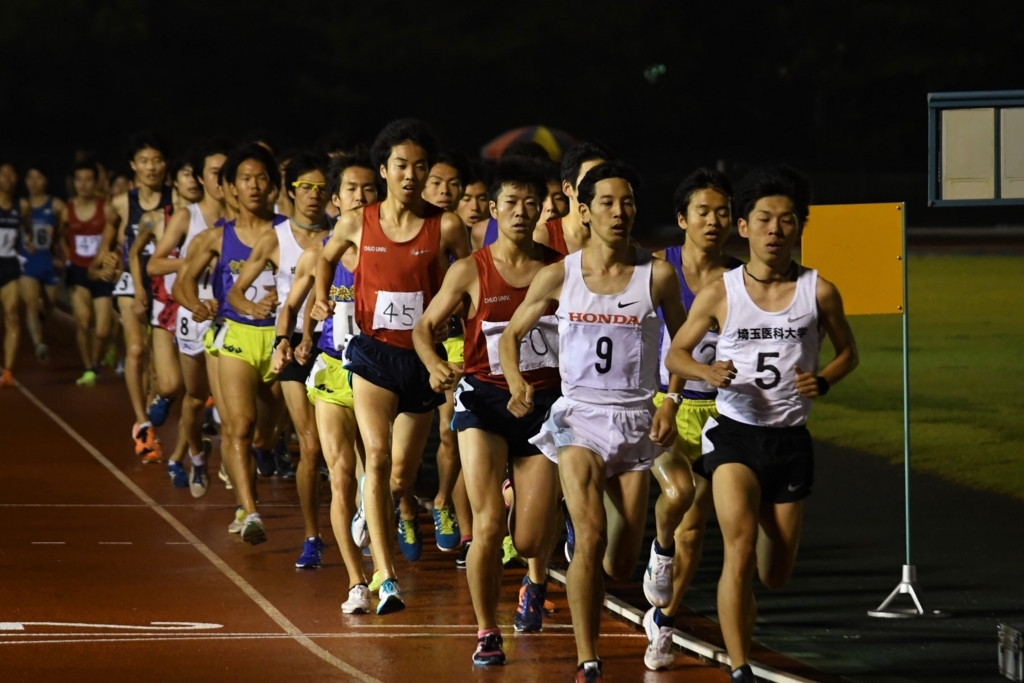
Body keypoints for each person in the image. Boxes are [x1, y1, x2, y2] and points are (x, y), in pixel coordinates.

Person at [666, 165, 859, 683]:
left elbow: (848, 353)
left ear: (799, 227)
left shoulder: (819, 291)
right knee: (739, 545)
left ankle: (744, 637)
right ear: (744, 227)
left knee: (774, 574)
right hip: (734, 435)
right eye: (764, 219)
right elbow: (677, 355)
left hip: (790, 442)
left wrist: (825, 380)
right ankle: (739, 666)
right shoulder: (720, 293)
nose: (776, 229)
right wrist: (706, 370)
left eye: (787, 220)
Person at [500, 162, 685, 683]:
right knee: (591, 533)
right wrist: (517, 383)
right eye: (606, 202)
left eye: (627, 202)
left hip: (634, 417)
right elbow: (511, 336)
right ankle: (588, 659)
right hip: (575, 415)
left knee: (620, 561)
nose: (619, 212)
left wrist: (670, 401)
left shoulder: (658, 276)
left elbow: (683, 347)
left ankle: (621, 556)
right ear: (583, 210)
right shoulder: (559, 274)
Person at [314, 118, 470, 614]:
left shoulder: (445, 225)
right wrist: (320, 297)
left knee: (400, 476)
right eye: (401, 165)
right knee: (375, 458)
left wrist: (456, 315)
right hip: (373, 355)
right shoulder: (359, 220)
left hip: (423, 360)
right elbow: (327, 257)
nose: (410, 175)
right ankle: (386, 577)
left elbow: (468, 280)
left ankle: (372, 511)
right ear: (384, 170)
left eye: (420, 167)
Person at [414, 158, 564, 665]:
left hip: (542, 407)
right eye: (512, 203)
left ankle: (533, 579)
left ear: (542, 209)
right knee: (487, 525)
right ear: (494, 209)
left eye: (531, 203)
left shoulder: (558, 269)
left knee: (528, 537)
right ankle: (485, 630)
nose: (521, 212)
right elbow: (424, 326)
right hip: (483, 402)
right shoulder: (469, 270)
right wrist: (435, 362)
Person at [642, 168, 744, 670]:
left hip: (716, 411)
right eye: (702, 212)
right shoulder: (659, 269)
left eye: (721, 212)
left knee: (694, 526)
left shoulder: (741, 281)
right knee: (674, 498)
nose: (713, 221)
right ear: (682, 219)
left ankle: (663, 619)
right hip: (660, 404)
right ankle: (655, 553)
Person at [276, 152, 379, 611]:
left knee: (380, 472)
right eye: (351, 191)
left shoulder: (390, 253)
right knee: (337, 471)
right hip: (332, 367)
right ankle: (356, 580)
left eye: (368, 190)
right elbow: (295, 307)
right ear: (335, 201)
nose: (360, 198)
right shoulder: (319, 257)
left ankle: (369, 513)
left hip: (379, 372)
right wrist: (295, 338)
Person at [179, 143, 283, 545]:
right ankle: (251, 510)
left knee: (265, 434)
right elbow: (184, 281)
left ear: (272, 185)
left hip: (278, 341)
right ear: (230, 188)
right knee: (239, 425)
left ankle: (253, 467)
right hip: (234, 334)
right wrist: (197, 304)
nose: (254, 186)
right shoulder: (216, 238)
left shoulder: (286, 234)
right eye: (245, 179)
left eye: (261, 178)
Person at [231, 150, 331, 565]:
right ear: (290, 192)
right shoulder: (276, 237)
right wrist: (256, 309)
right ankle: (312, 536)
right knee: (309, 445)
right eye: (305, 188)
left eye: (320, 189)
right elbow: (236, 290)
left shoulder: (341, 236)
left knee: (337, 448)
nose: (312, 195)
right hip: (290, 345)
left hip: (335, 341)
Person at [151, 141, 230, 494]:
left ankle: (242, 489)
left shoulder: (244, 221)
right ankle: (196, 454)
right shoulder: (187, 217)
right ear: (200, 177)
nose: (221, 179)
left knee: (231, 407)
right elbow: (154, 264)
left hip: (230, 318)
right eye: (214, 172)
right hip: (191, 313)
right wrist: (194, 263)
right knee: (195, 398)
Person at [103, 132, 174, 457]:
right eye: (144, 161)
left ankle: (155, 401)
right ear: (133, 165)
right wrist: (106, 260)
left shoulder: (177, 201)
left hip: (164, 283)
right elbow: (107, 249)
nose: (151, 167)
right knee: (135, 349)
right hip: (131, 282)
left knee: (160, 372)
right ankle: (142, 422)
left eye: (157, 160)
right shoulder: (121, 203)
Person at [64, 160, 117, 386]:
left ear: (95, 182)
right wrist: (67, 258)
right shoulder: (67, 210)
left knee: (103, 330)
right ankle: (89, 367)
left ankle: (97, 359)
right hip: (78, 271)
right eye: (79, 180)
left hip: (100, 272)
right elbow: (61, 235)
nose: (84, 185)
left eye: (88, 180)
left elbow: (114, 235)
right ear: (74, 183)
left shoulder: (105, 208)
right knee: (83, 323)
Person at [533, 141, 613, 256]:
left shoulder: (620, 242)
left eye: (603, 180)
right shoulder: (540, 238)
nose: (598, 188)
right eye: (588, 180)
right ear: (567, 188)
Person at [19, 166, 64, 362]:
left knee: (49, 305)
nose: (34, 182)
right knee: (30, 303)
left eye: (39, 177)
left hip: (48, 261)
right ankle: (39, 344)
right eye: (30, 178)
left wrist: (60, 255)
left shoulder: (56, 205)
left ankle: (41, 318)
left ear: (46, 181)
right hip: (27, 261)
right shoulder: (20, 205)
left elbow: (63, 234)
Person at [0, 161, 30, 387]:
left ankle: (7, 370)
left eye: (11, 174)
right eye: (3, 174)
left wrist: (28, 241)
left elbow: (26, 230)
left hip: (9, 265)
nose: (8, 179)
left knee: (12, 315)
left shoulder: (22, 206)